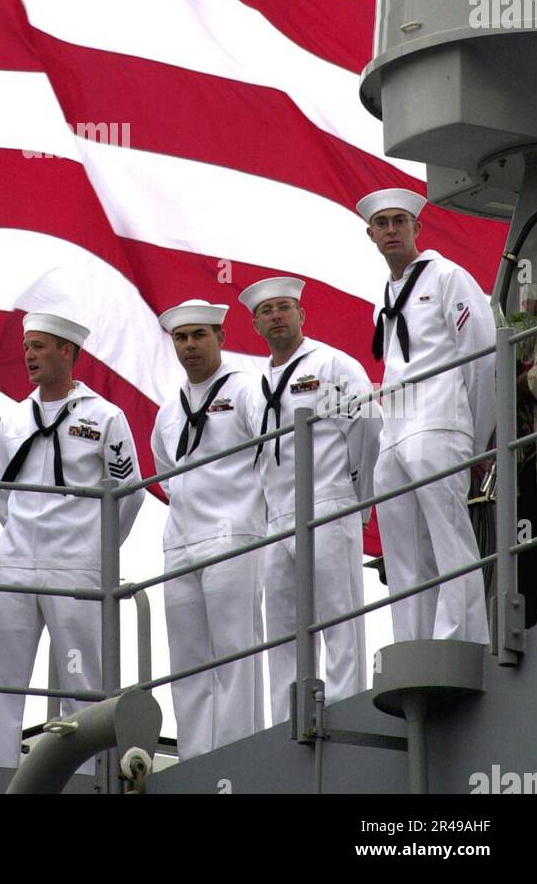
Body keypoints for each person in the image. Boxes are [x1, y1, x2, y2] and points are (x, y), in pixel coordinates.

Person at [0, 312, 145, 769]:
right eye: (27, 346)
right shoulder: (10, 419)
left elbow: (128, 494)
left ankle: (90, 776)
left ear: (67, 352)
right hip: (15, 565)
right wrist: (24, 538)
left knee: (82, 678)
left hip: (76, 568)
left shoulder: (105, 416)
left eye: (40, 346)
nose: (29, 355)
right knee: (1, 678)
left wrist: (94, 550)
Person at [357, 188, 495, 643]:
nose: (391, 229)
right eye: (383, 223)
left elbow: (480, 356)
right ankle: (414, 644)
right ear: (371, 234)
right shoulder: (387, 295)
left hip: (440, 423)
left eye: (400, 221)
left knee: (448, 535)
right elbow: (395, 372)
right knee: (402, 549)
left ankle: (460, 637)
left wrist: (478, 440)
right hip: (397, 433)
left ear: (417, 228)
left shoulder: (447, 277)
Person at [241, 277, 381, 723]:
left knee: (341, 616)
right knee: (282, 627)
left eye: (284, 307)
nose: (276, 316)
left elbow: (367, 427)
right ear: (255, 323)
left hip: (328, 501)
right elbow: (256, 456)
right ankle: (288, 720)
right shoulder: (255, 385)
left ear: (301, 314)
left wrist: (355, 497)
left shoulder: (333, 364)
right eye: (267, 311)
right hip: (278, 518)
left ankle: (345, 710)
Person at [151, 299, 266, 758]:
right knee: (187, 660)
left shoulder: (247, 391)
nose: (190, 346)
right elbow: (166, 473)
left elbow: (271, 454)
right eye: (181, 338)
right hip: (181, 541)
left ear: (220, 337)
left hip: (233, 532)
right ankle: (195, 758)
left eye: (199, 335)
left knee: (236, 651)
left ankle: (239, 755)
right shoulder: (169, 409)